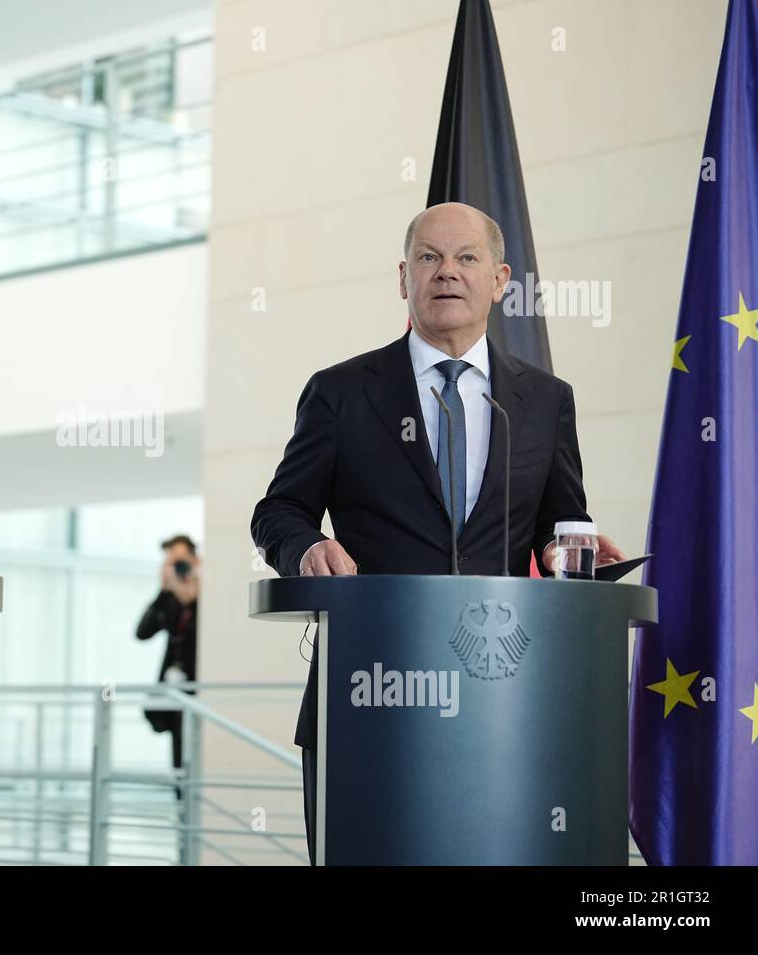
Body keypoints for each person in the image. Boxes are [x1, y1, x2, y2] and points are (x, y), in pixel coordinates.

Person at [250, 201, 626, 863]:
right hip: (369, 697)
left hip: (508, 706)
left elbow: (560, 521)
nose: (446, 272)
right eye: (429, 257)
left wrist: (573, 548)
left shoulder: (543, 400)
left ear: (501, 278)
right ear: (403, 278)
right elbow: (277, 511)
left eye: (466, 258)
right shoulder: (340, 393)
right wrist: (306, 546)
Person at [135, 535, 200, 782]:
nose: (178, 568)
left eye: (181, 561)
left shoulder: (206, 598)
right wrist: (163, 591)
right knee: (178, 760)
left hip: (199, 692)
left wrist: (193, 598)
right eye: (171, 562)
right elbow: (142, 633)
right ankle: (183, 810)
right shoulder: (169, 599)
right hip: (173, 693)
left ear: (196, 561)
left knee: (197, 756)